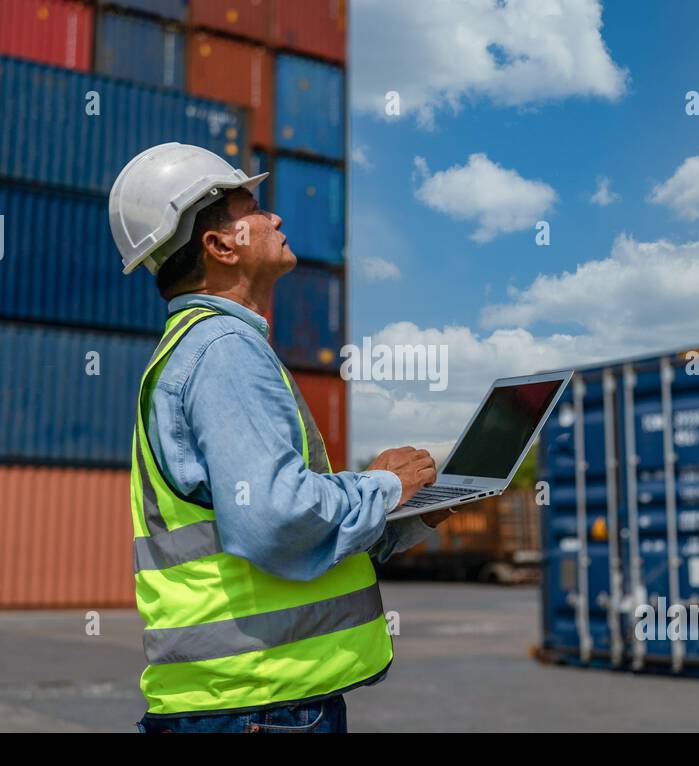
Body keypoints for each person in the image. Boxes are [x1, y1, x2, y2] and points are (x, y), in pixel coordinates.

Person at [109, 143, 453, 733]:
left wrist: (408, 514)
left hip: (239, 702)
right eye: (254, 209)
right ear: (221, 246)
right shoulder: (224, 351)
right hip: (260, 705)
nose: (275, 217)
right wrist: (382, 485)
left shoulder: (195, 349)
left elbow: (274, 528)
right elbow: (274, 522)